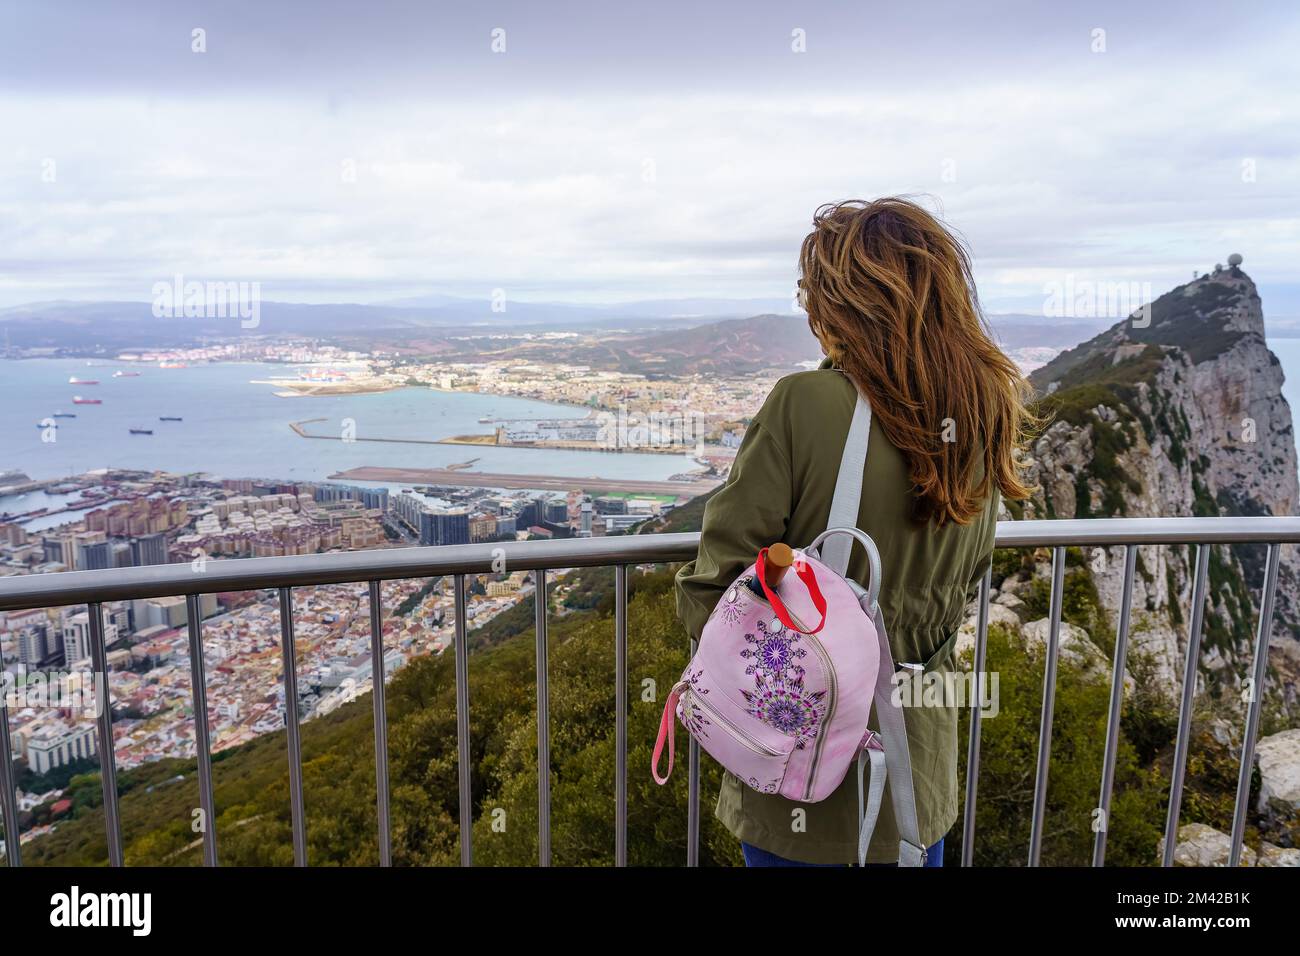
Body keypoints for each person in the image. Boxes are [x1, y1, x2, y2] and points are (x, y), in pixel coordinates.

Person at [674, 197, 1037, 867]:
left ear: (839, 304)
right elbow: (970, 572)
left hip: (804, 781)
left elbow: (715, 586)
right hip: (918, 778)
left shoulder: (805, 404)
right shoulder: (986, 410)